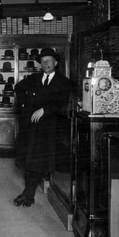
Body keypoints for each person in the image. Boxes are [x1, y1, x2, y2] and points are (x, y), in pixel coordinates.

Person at [13, 47, 72, 206]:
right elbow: (18, 88)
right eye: (43, 61)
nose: (46, 63)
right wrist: (25, 105)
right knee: (28, 159)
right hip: (31, 126)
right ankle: (28, 195)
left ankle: (28, 194)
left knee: (39, 160)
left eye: (49, 61)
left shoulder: (63, 81)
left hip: (49, 128)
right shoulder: (34, 78)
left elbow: (62, 104)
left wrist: (45, 110)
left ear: (56, 62)